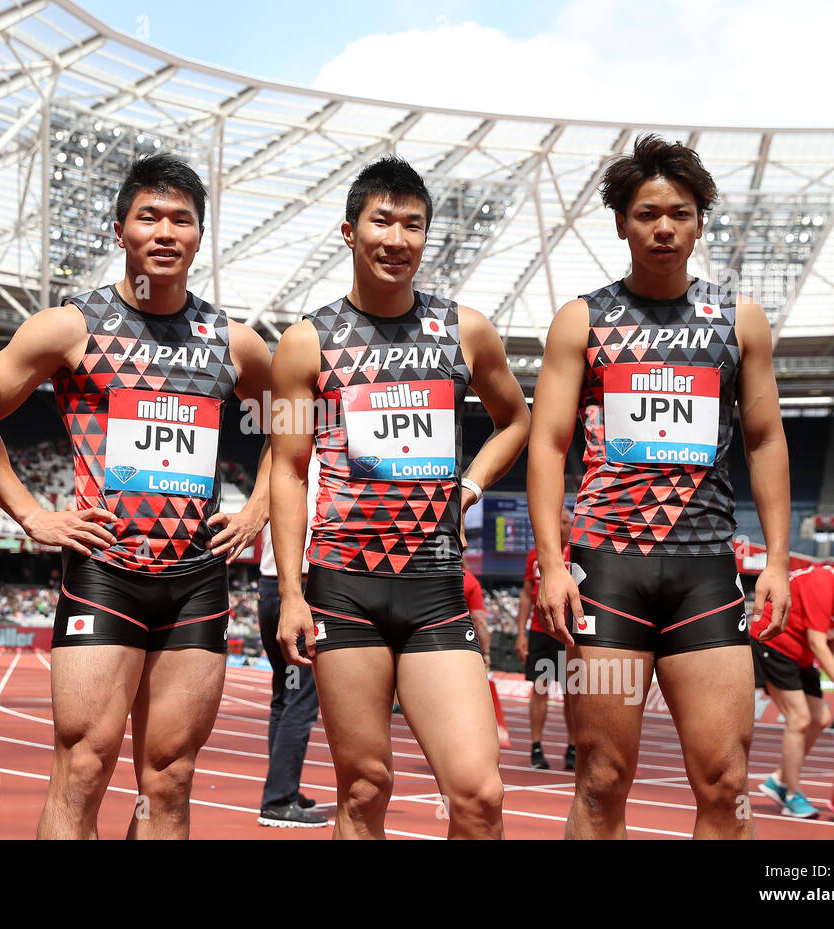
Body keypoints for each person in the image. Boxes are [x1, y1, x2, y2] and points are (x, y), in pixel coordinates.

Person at [0, 153, 273, 840]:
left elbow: (300, 419)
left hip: (197, 578)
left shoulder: (233, 342)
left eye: (181, 219)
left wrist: (258, 507)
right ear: (121, 228)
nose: (164, 230)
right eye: (148, 215)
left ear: (199, 235)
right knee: (85, 765)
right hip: (106, 572)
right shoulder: (72, 327)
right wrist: (31, 513)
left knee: (171, 776)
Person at [529, 133, 792, 839]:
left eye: (679, 211)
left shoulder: (739, 321)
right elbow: (548, 444)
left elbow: (765, 438)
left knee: (726, 779)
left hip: (706, 575)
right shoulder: (581, 321)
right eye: (647, 213)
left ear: (701, 219)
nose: (664, 227)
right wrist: (552, 565)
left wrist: (777, 558)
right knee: (603, 780)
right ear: (622, 222)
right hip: (606, 574)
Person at [272, 156, 531, 840]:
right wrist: (294, 592)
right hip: (343, 589)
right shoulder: (306, 343)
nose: (397, 237)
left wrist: (471, 485)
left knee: (478, 793)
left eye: (413, 224)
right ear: (349, 232)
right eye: (381, 220)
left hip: (436, 587)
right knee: (364, 788)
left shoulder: (464, 331)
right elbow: (290, 470)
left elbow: (518, 420)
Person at [753, 551, 834, 817]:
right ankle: (791, 795)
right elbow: (817, 642)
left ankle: (778, 780)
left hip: (800, 657)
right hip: (774, 646)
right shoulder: (822, 583)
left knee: (821, 716)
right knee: (799, 719)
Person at [256, 455, 327, 828]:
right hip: (300, 591)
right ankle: (279, 799)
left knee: (285, 695)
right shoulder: (327, 461)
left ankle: (284, 788)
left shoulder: (281, 459)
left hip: (271, 588)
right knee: (300, 698)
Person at [516, 503, 576, 770]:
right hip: (540, 631)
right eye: (558, 522)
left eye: (565, 522)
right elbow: (526, 596)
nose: (561, 526)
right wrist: (520, 633)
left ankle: (573, 749)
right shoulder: (535, 554)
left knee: (571, 693)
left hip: (569, 635)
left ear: (572, 526)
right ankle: (536, 748)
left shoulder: (580, 556)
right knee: (539, 689)